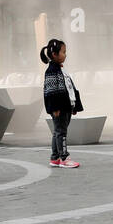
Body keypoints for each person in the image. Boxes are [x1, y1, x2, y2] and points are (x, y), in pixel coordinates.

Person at [41, 39, 83, 169]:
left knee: (58, 131)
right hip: (59, 108)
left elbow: (70, 87)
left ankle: (55, 158)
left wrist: (74, 105)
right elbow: (51, 91)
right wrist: (54, 108)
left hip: (66, 106)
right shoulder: (52, 71)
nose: (65, 54)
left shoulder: (61, 70)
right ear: (54, 54)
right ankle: (64, 158)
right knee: (61, 132)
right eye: (63, 52)